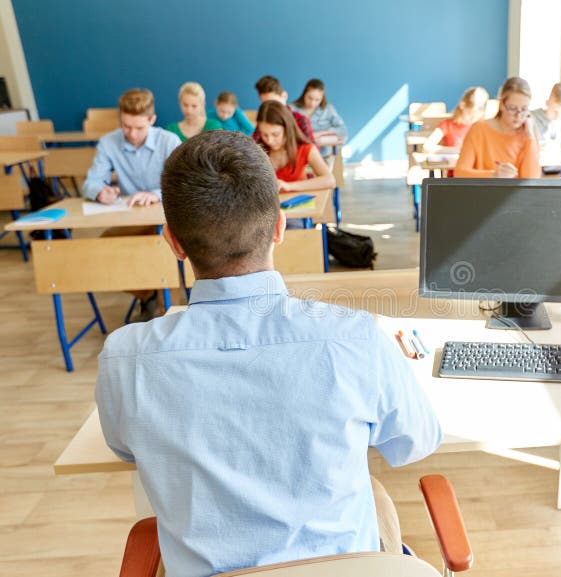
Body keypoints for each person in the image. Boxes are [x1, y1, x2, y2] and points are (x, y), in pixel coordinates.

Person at [95, 130, 442, 577]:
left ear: (173, 242)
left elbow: (124, 448)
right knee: (373, 495)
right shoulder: (356, 338)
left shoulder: (125, 358)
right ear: (280, 227)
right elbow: (415, 442)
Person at [82, 88, 181, 321]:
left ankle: (166, 313)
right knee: (102, 252)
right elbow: (90, 183)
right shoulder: (108, 142)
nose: (132, 134)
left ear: (152, 120)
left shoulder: (169, 141)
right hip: (132, 220)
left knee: (167, 251)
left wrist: (155, 194)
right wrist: (100, 192)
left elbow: (183, 182)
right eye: (126, 126)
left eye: (139, 127)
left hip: (168, 219)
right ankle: (148, 294)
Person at [454, 77, 541, 178]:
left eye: (524, 109)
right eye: (512, 108)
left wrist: (530, 137)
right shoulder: (479, 129)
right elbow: (460, 173)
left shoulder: (528, 135)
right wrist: (494, 175)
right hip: (485, 188)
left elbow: (531, 179)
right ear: (502, 104)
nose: (518, 115)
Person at [255, 100, 335, 192]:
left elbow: (330, 181)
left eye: (275, 134)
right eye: (265, 135)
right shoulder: (257, 151)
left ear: (287, 129)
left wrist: (289, 186)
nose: (270, 140)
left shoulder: (305, 148)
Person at [423, 86, 489, 153]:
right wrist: (455, 150)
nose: (473, 120)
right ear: (462, 105)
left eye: (477, 117)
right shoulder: (447, 125)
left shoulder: (480, 126)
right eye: (470, 115)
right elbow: (427, 147)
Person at [254, 75, 315, 145]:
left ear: (284, 96)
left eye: (274, 103)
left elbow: (312, 148)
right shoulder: (263, 123)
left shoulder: (301, 121)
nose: (270, 108)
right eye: (265, 105)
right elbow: (253, 146)